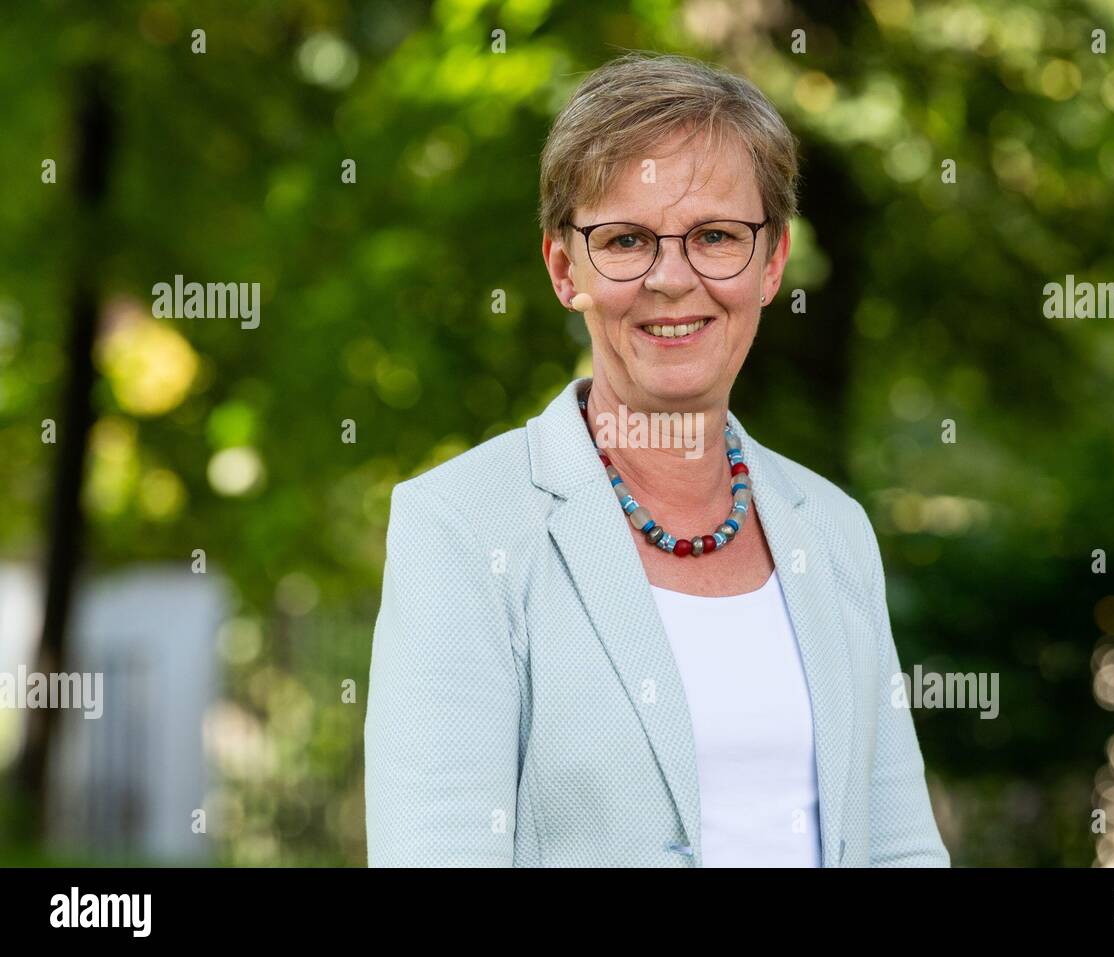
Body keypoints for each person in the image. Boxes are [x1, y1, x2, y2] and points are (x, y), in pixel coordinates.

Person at [364, 51, 949, 867]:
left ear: (772, 261)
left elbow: (899, 849)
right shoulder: (462, 529)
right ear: (566, 268)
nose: (672, 280)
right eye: (628, 239)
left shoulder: (836, 530)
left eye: (715, 235)